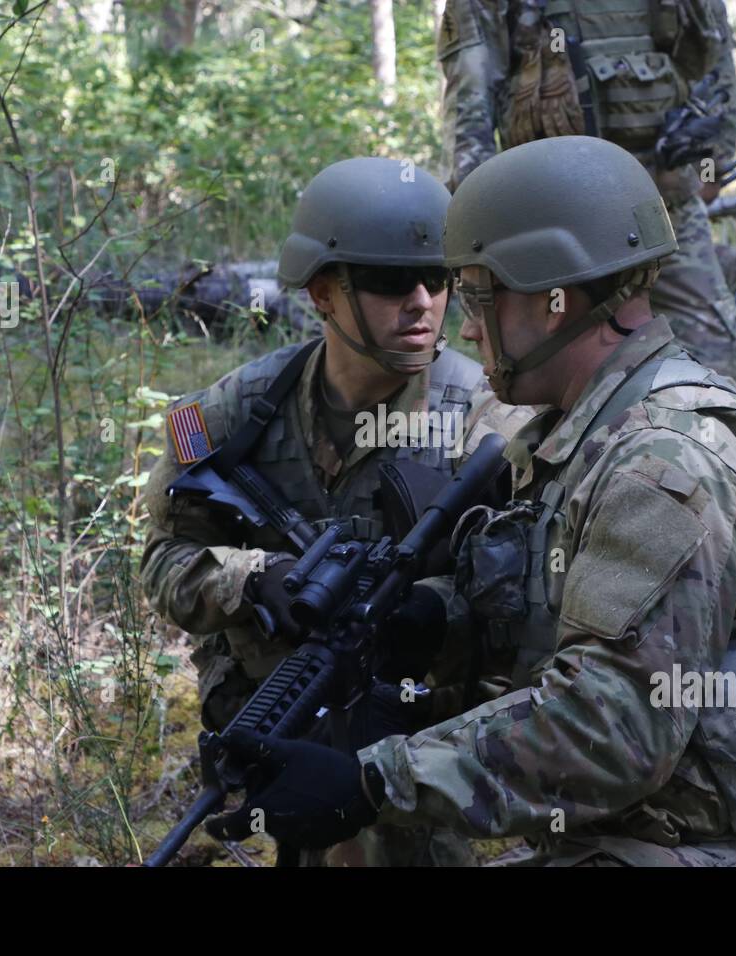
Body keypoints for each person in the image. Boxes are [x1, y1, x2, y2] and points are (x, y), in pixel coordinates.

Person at [204, 137, 736, 868]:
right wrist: (437, 620)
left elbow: (615, 728)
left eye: (479, 295)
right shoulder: (573, 432)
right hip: (643, 833)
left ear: (552, 303)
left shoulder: (661, 461)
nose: (463, 324)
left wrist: (371, 783)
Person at [140, 157, 526, 866]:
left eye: (438, 279)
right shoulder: (230, 416)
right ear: (324, 292)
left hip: (419, 737)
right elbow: (164, 563)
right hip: (277, 712)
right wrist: (253, 579)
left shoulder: (489, 423)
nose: (421, 302)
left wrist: (432, 612)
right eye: (387, 283)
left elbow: (536, 598)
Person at [436, 0, 736, 393]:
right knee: (538, 366)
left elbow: (716, 58)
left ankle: (701, 444)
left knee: (721, 356)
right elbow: (469, 99)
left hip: (661, 200)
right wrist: (485, 218)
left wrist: (714, 157)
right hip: (549, 212)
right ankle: (558, 452)